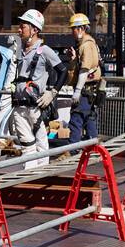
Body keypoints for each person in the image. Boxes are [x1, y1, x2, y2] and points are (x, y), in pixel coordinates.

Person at [9, 9, 61, 163]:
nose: (19, 30)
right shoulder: (20, 51)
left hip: (35, 107)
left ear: (35, 30)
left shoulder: (44, 51)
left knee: (41, 146)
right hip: (19, 106)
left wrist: (52, 93)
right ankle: (29, 177)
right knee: (26, 146)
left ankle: (41, 176)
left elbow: (62, 71)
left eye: (22, 26)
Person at [61, 12, 102, 146]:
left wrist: (77, 91)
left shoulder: (86, 45)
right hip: (90, 90)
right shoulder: (86, 44)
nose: (72, 31)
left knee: (76, 118)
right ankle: (94, 147)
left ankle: (72, 151)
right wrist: (73, 59)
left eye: (74, 28)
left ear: (82, 28)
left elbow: (84, 70)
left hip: (85, 90)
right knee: (88, 118)